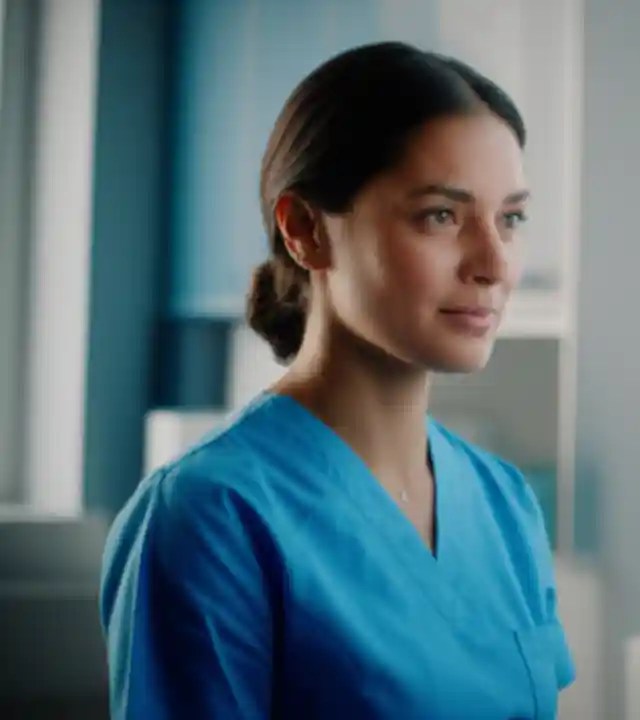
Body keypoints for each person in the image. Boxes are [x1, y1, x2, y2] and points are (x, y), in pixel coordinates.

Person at [99, 42, 574, 719]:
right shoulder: (210, 516)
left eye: (512, 219)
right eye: (441, 214)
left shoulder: (505, 503)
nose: (494, 264)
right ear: (306, 231)